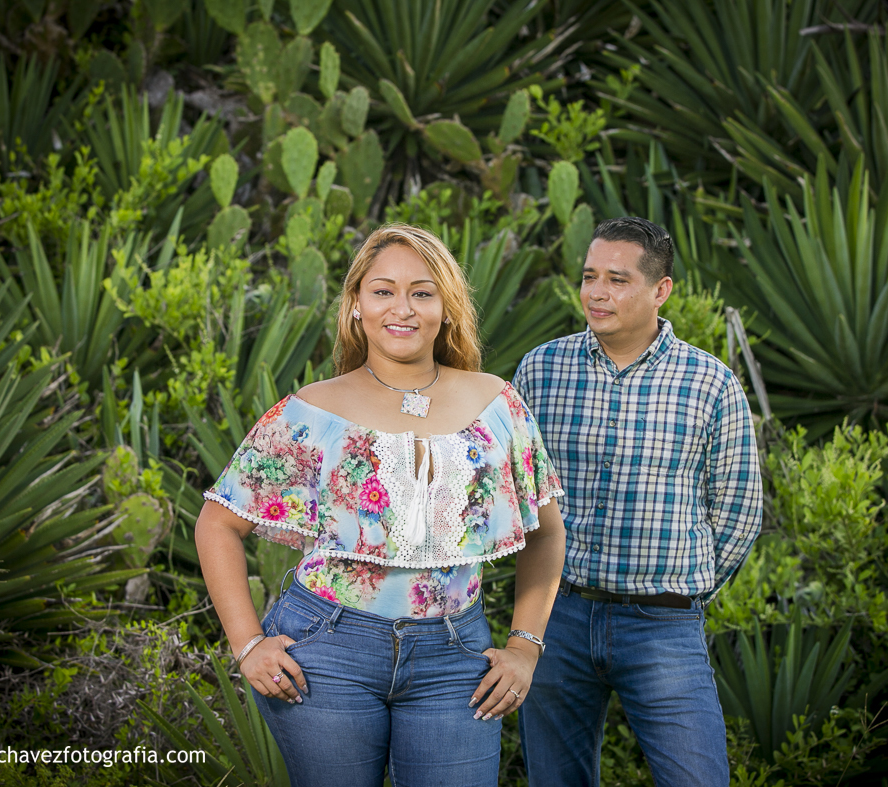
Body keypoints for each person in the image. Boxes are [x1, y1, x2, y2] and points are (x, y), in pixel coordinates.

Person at [195, 224, 566, 787]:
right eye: (383, 290)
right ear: (355, 307)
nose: (404, 308)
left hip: (454, 655)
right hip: (325, 651)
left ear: (446, 307)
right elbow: (218, 522)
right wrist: (247, 645)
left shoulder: (496, 403)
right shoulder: (310, 411)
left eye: (422, 292)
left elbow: (546, 532)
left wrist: (524, 646)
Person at [514, 217, 763, 787]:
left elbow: (739, 509)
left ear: (661, 289)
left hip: (663, 626)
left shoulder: (711, 383)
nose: (597, 293)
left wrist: (685, 591)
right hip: (558, 620)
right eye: (589, 276)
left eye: (617, 280)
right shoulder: (541, 370)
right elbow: (516, 492)